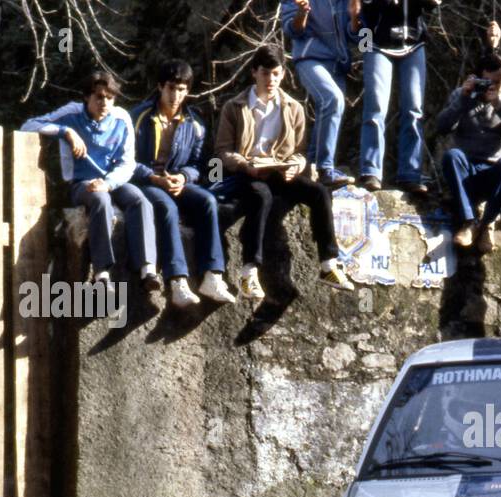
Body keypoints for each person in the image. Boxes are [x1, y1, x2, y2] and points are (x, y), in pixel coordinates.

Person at [211, 44, 355, 299]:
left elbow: (300, 151)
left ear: (283, 75)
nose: (271, 80)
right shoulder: (235, 107)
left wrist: (295, 166)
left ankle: (328, 264)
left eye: (276, 74)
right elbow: (222, 151)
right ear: (254, 72)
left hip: (279, 171)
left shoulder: (293, 108)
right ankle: (249, 272)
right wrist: (245, 164)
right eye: (265, 73)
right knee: (261, 197)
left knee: (319, 192)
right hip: (247, 172)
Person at [21, 70, 159, 299]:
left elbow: (127, 163)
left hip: (113, 180)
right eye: (99, 97)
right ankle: (102, 272)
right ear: (87, 97)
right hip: (81, 182)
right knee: (100, 201)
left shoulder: (121, 119)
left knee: (139, 200)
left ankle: (147, 269)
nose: (104, 103)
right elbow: (28, 125)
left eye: (110, 98)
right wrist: (66, 131)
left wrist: (109, 182)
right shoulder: (72, 113)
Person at [129, 60, 236, 308]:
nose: (175, 95)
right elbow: (125, 160)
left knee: (208, 200)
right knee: (167, 208)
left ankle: (212, 275)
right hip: (146, 181)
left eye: (181, 89)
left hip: (176, 180)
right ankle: (177, 280)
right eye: (171, 88)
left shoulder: (195, 123)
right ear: (160, 87)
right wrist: (153, 177)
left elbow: (199, 163)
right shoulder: (138, 117)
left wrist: (183, 177)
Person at [350, 0, 441, 194]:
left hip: (414, 42)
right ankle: (370, 171)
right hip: (374, 41)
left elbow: (434, 4)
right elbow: (361, 9)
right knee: (376, 106)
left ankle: (411, 174)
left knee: (414, 108)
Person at [436, 52, 501, 254]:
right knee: (451, 156)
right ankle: (469, 221)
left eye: (497, 82)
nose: (491, 87)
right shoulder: (463, 95)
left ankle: (487, 223)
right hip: (467, 169)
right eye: (487, 82)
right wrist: (463, 98)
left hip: (495, 170)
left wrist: (498, 105)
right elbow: (442, 126)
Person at [282, 0, 356, 188]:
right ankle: (326, 169)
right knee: (333, 99)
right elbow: (292, 30)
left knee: (330, 110)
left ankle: (311, 170)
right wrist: (302, 12)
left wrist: (356, 17)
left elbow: (358, 36)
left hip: (339, 64)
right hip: (309, 58)